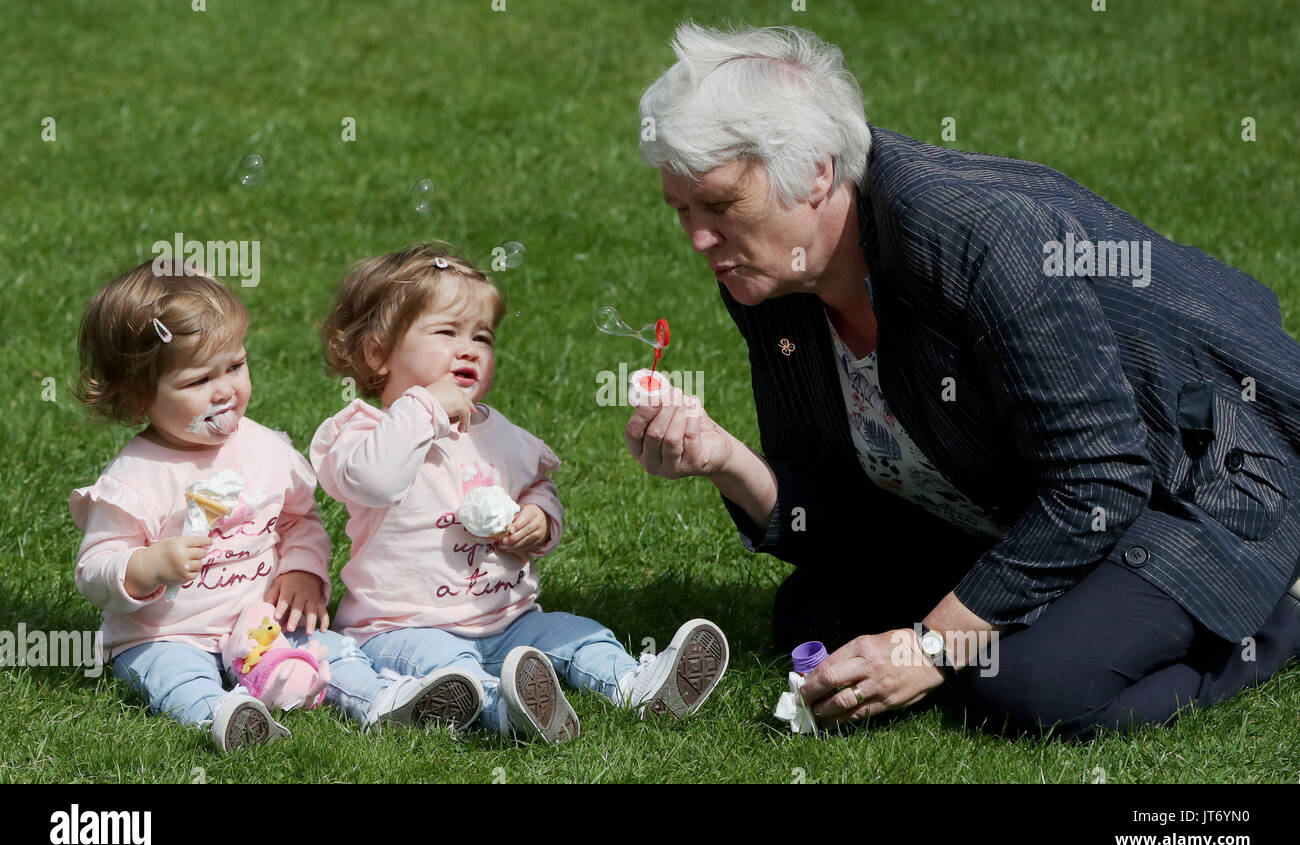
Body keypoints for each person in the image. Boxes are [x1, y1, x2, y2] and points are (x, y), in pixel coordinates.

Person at [625, 23, 1300, 740]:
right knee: (813, 616)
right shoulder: (767, 278)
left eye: (721, 206)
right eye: (683, 212)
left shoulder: (976, 238)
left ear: (816, 172)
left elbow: (1100, 482)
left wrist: (931, 645)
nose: (698, 240)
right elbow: (837, 511)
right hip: (1015, 494)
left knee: (1029, 690)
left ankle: (1279, 617)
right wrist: (723, 460)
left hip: (1199, 479)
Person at [311, 242, 728, 744]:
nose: (468, 350)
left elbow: (538, 485)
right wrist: (423, 406)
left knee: (579, 633)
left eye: (482, 338)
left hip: (509, 619)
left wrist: (538, 517)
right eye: (446, 332)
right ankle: (504, 708)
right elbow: (376, 482)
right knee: (450, 666)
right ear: (378, 352)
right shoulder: (362, 431)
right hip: (401, 629)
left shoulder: (499, 432)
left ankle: (639, 685)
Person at [70, 260, 474, 753]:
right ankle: (221, 715)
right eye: (199, 381)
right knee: (170, 674)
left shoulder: (266, 451)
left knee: (332, 652)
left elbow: (299, 519)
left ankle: (384, 699)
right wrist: (146, 565)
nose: (226, 390)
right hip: (168, 632)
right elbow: (94, 569)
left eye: (236, 366)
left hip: (260, 621)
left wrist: (303, 571)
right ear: (138, 399)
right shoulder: (134, 478)